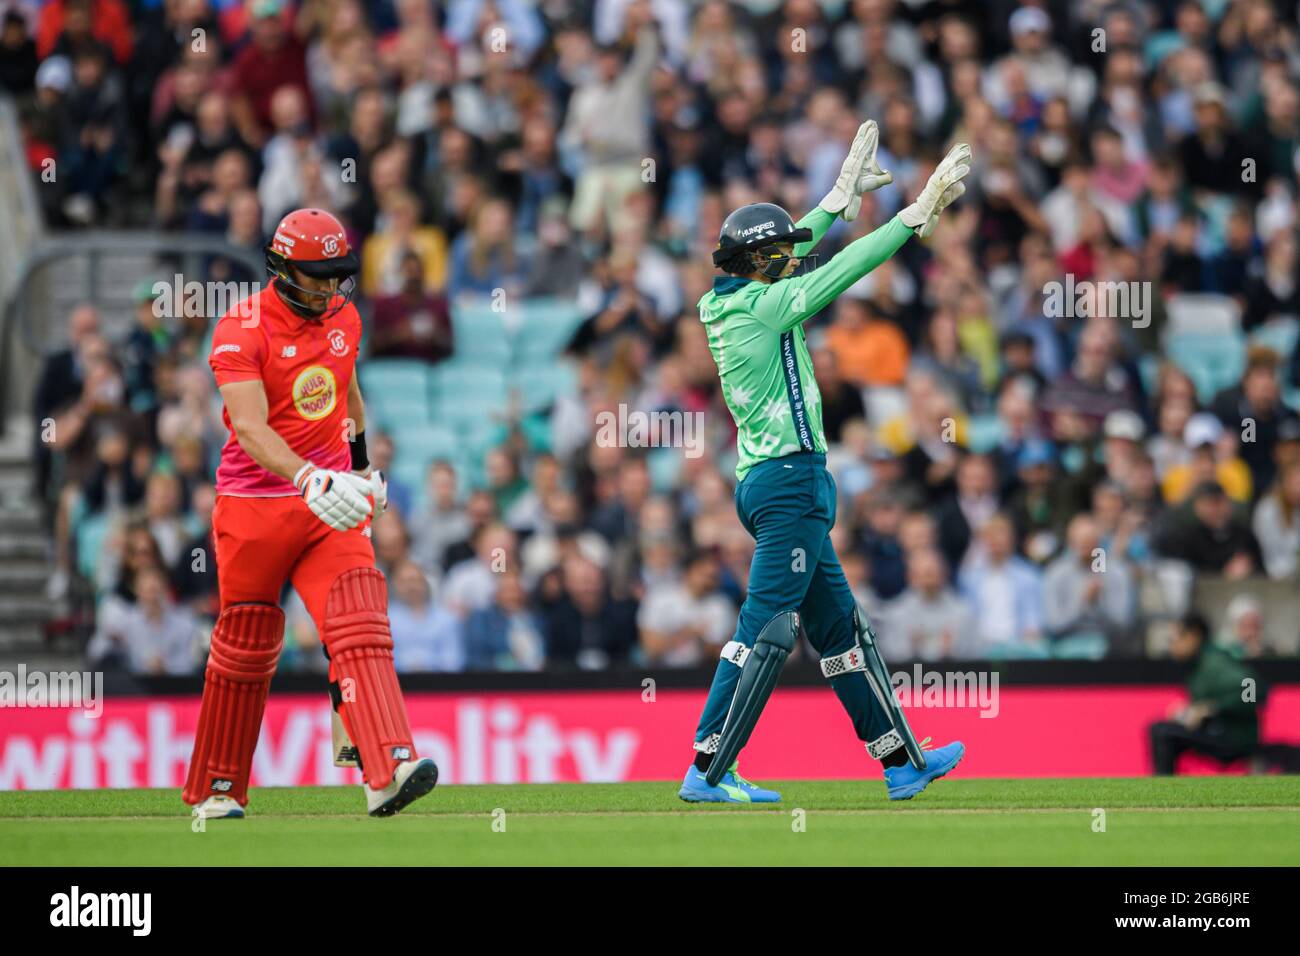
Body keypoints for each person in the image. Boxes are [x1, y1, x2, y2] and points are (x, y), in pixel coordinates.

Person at [677, 121, 971, 804]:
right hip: (790, 483)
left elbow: (783, 252)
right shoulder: (769, 305)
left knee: (842, 632)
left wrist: (837, 202)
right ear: (759, 263)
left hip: (772, 481)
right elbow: (840, 270)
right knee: (769, 627)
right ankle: (708, 767)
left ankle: (901, 760)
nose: (789, 257)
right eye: (778, 252)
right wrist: (910, 218)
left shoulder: (729, 298)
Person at [184, 207, 437, 820]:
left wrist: (357, 468)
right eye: (316, 276)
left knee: (360, 622)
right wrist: (307, 474)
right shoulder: (241, 327)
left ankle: (387, 769)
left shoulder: (345, 316)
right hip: (255, 505)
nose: (328, 288)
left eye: (336, 275)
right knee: (247, 643)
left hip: (328, 501)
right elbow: (248, 426)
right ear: (281, 269)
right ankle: (218, 789)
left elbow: (348, 393)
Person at [1148, 612, 1259, 774]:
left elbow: (1252, 685)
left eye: (1175, 639)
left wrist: (1213, 708)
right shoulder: (1197, 665)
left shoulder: (1215, 662)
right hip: (1218, 731)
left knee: (1163, 733)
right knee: (1163, 729)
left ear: (1193, 636)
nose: (1172, 647)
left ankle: (1162, 789)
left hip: (1234, 737)